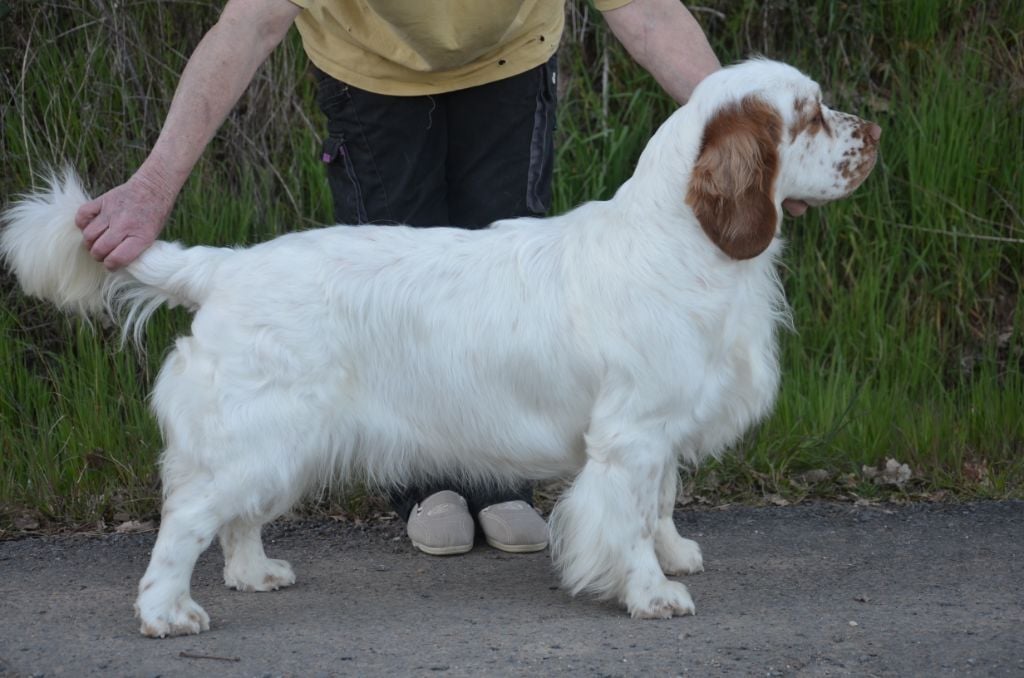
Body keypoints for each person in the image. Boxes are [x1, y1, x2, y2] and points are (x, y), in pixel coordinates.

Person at [74, 0, 796, 556]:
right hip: (368, 68)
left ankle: (504, 484)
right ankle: (428, 487)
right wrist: (153, 185)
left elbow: (647, 12)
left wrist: (758, 143)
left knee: (512, 301)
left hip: (509, 60)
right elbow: (248, 24)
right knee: (389, 299)